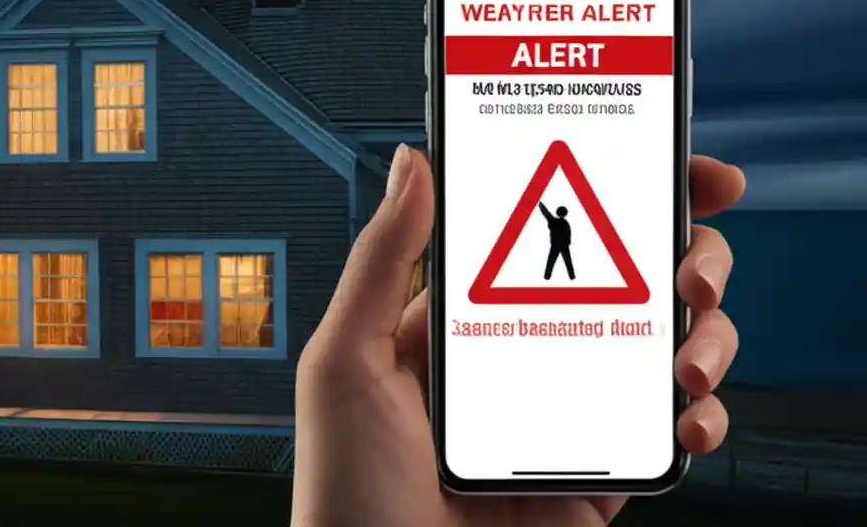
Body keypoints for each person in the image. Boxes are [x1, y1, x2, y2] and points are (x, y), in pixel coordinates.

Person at [292, 145, 745, 527]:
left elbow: (555, 216)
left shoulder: (562, 222)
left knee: (564, 267)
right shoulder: (556, 220)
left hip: (561, 252)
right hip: (554, 252)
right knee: (559, 267)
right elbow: (548, 211)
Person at [538, 201, 576, 280]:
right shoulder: (566, 223)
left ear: (557, 213)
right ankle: (572, 276)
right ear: (565, 213)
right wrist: (568, 243)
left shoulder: (552, 221)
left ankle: (547, 277)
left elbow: (546, 213)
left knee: (550, 261)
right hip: (564, 246)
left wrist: (540, 205)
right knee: (568, 261)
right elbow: (568, 235)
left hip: (555, 245)